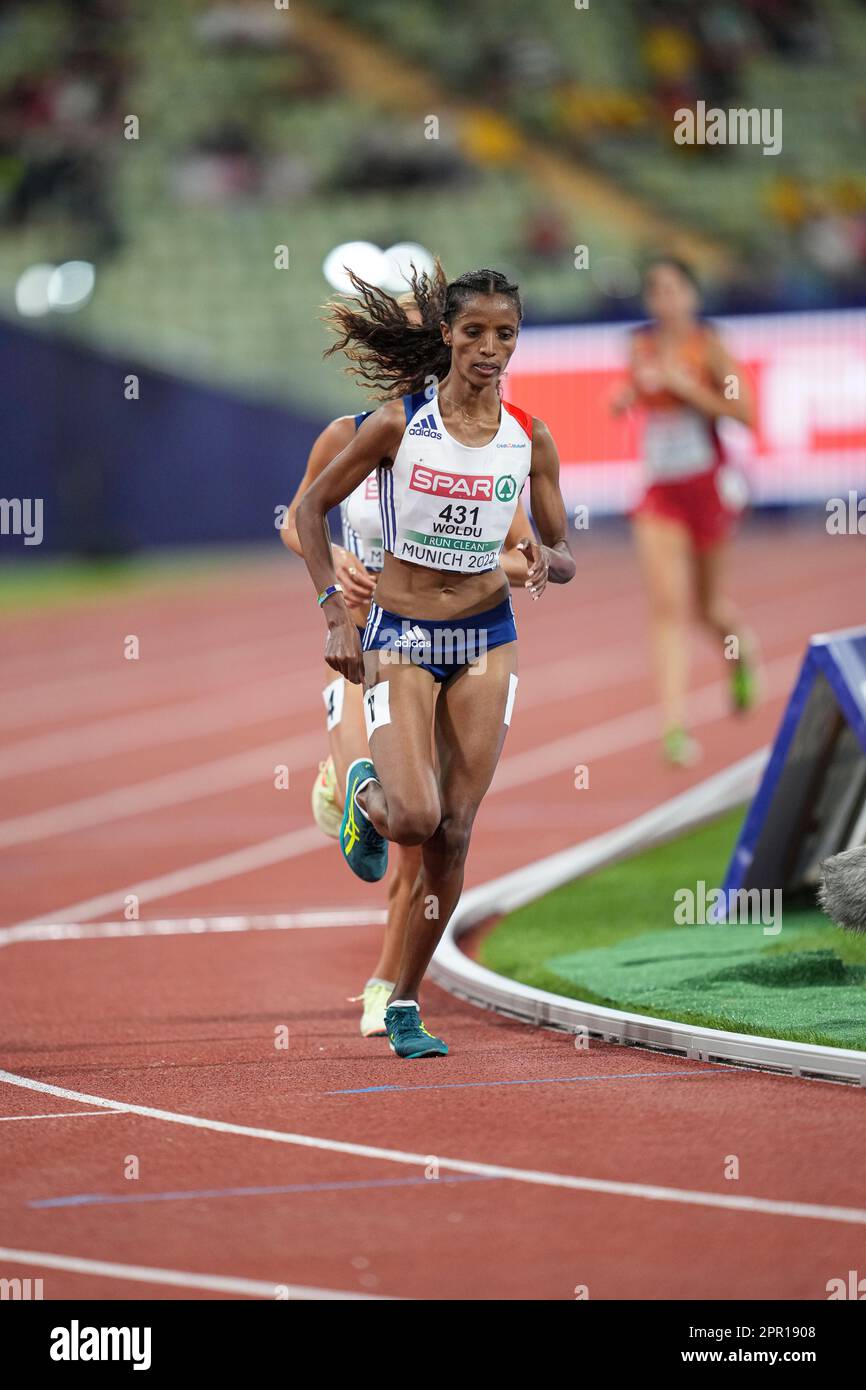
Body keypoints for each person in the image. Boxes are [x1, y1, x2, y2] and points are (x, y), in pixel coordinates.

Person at [295, 267, 575, 1058]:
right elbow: (308, 509)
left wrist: (552, 558)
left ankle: (406, 1002)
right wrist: (332, 614)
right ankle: (359, 787)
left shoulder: (530, 436)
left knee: (452, 833)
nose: (491, 348)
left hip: (488, 635)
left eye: (506, 334)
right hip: (399, 637)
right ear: (448, 336)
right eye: (476, 332)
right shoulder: (394, 424)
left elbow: (555, 542)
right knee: (411, 816)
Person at [612, 255, 758, 767]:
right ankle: (674, 728)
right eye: (656, 291)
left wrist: (690, 389)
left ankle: (741, 651)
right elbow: (633, 393)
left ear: (692, 295)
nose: (664, 300)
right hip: (659, 492)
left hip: (707, 487)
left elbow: (745, 412)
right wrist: (625, 396)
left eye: (674, 289)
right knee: (669, 607)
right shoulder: (641, 346)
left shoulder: (710, 345)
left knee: (708, 605)